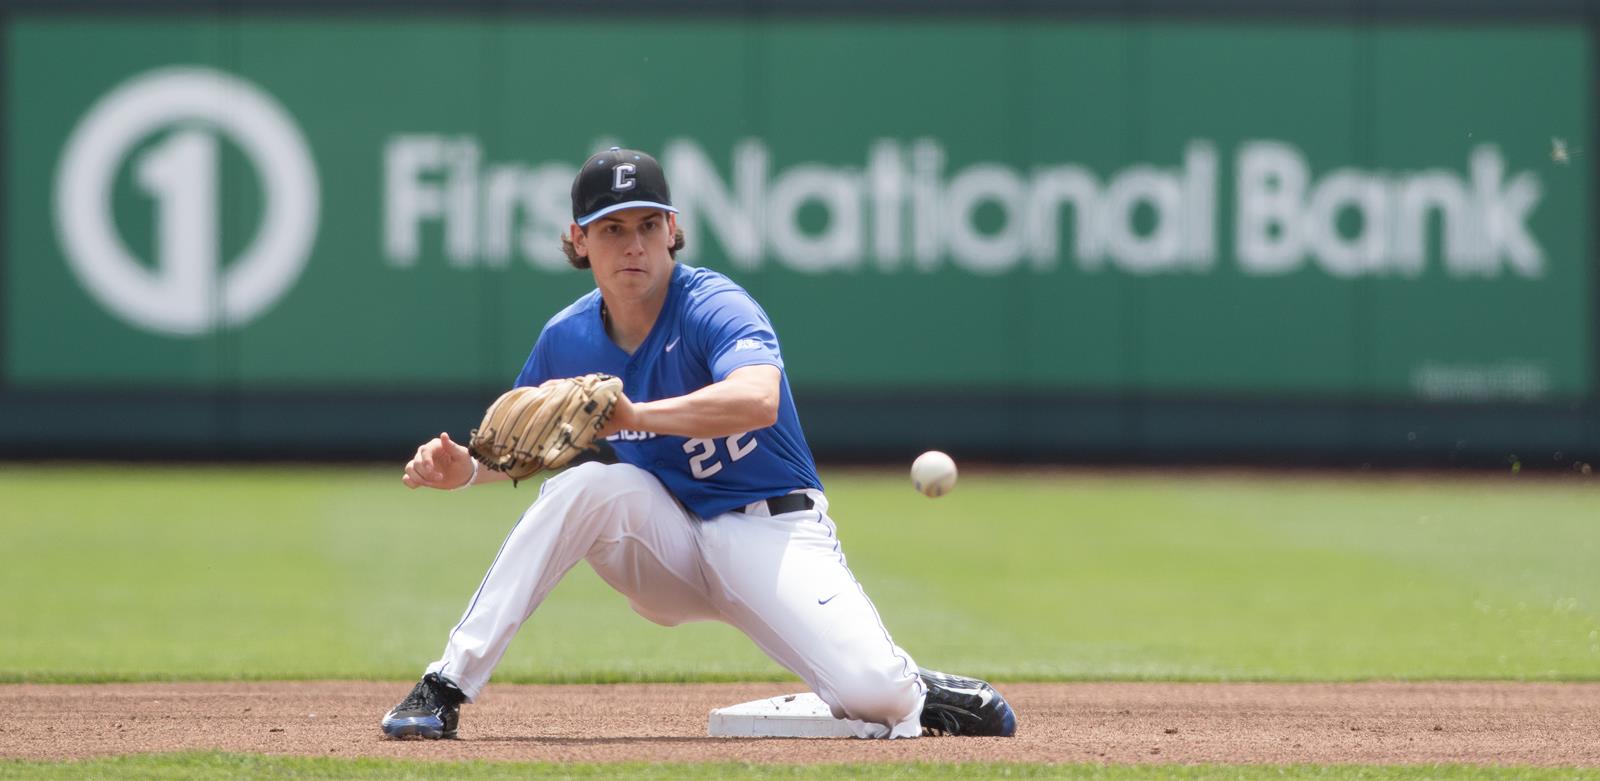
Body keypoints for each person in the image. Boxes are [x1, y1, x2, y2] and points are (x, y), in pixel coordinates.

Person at [380, 147, 1016, 740]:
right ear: (578, 239)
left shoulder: (714, 304)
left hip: (770, 531)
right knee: (585, 484)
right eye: (611, 229)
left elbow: (757, 399)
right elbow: (530, 445)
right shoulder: (566, 339)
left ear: (671, 229)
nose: (634, 245)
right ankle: (445, 684)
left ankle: (908, 684)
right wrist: (464, 469)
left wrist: (635, 414)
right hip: (667, 546)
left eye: (647, 226)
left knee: (876, 698)